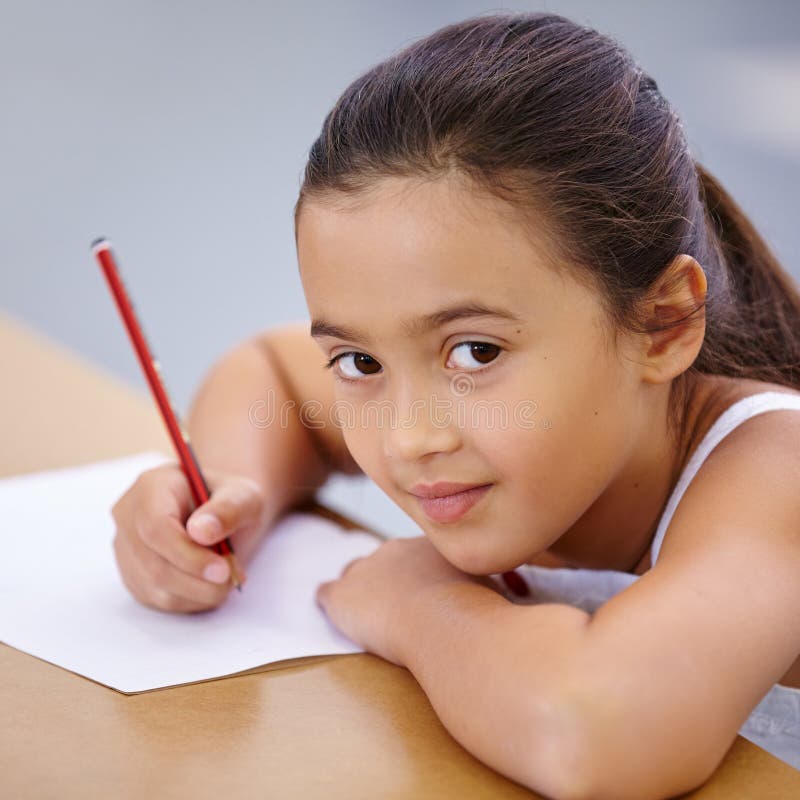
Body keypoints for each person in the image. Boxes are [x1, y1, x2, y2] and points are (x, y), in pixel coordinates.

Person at [109, 11, 800, 797]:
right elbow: (271, 370)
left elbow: (599, 734)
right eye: (361, 359)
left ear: (662, 321)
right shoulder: (482, 436)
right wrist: (227, 494)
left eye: (476, 353)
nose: (408, 438)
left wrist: (421, 604)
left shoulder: (775, 469)